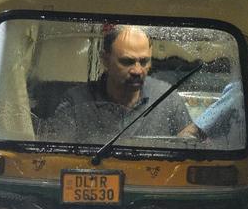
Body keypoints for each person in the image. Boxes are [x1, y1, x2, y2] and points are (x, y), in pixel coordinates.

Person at [47, 25, 191, 141]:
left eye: (144, 61)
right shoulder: (76, 102)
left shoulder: (166, 97)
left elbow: (190, 145)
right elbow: (56, 156)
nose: (137, 70)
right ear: (105, 60)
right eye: (127, 62)